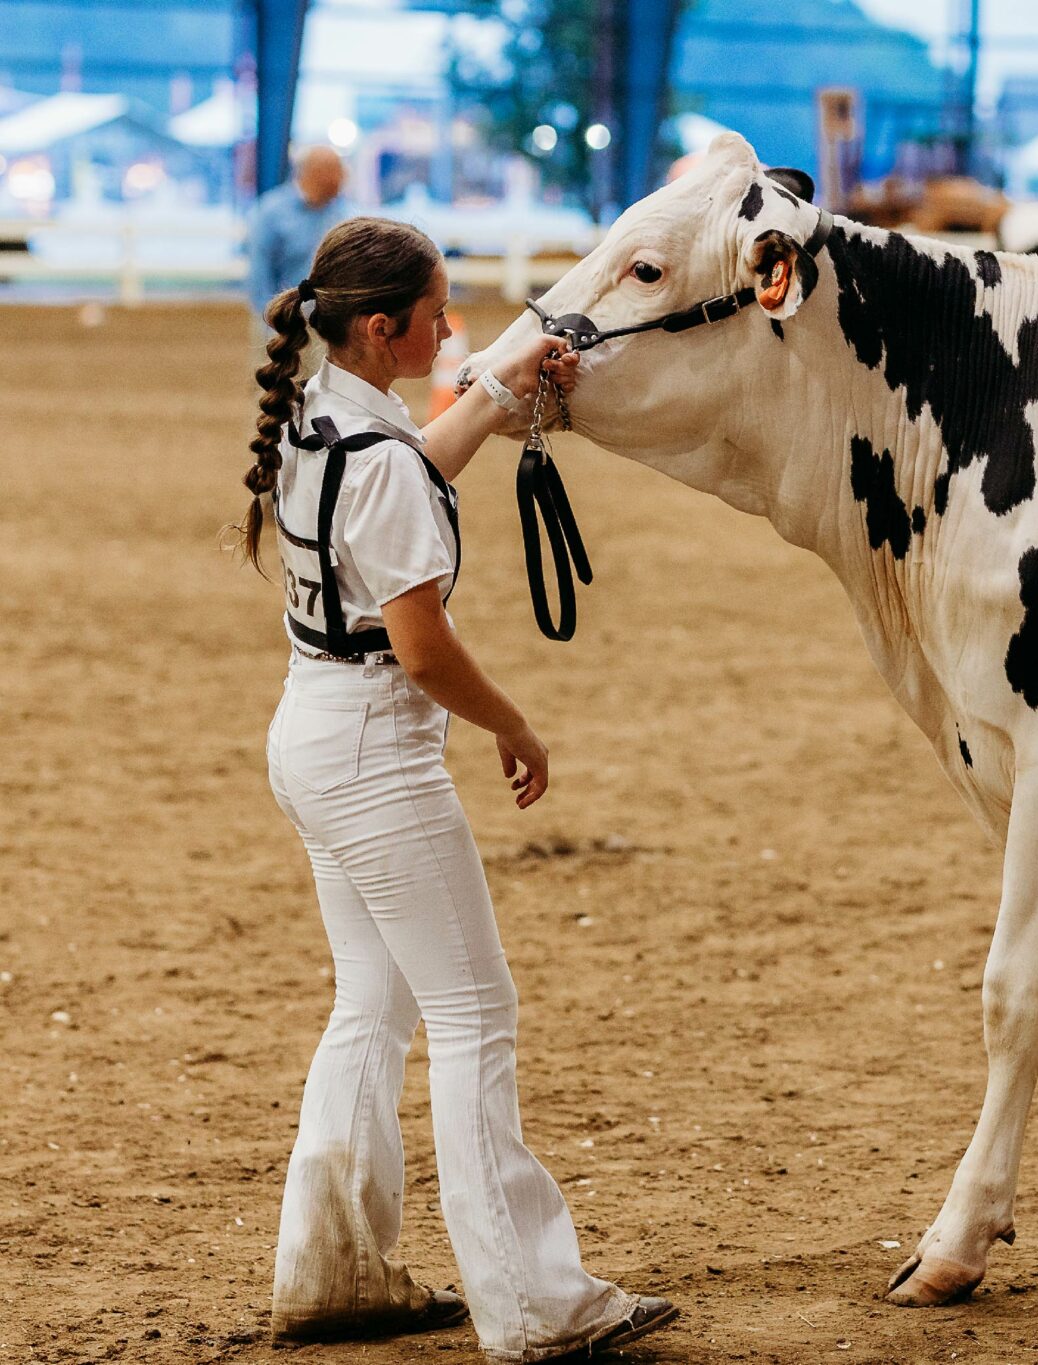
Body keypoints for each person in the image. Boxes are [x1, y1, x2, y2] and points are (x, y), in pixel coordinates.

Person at [233, 215, 676, 1363]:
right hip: (378, 753)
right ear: (383, 330)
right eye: (434, 317)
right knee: (475, 1017)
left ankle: (335, 1273)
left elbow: (412, 466)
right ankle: (534, 1307)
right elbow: (423, 649)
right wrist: (514, 725)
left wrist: (501, 384)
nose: (447, 328)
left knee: (371, 1005)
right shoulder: (376, 463)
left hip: (313, 736)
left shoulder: (312, 417)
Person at [246, 147, 350, 370]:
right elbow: (260, 272)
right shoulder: (272, 212)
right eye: (338, 172)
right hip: (283, 323)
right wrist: (273, 323)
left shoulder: (340, 213)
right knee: (277, 396)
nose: (343, 179)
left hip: (328, 327)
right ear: (316, 173)